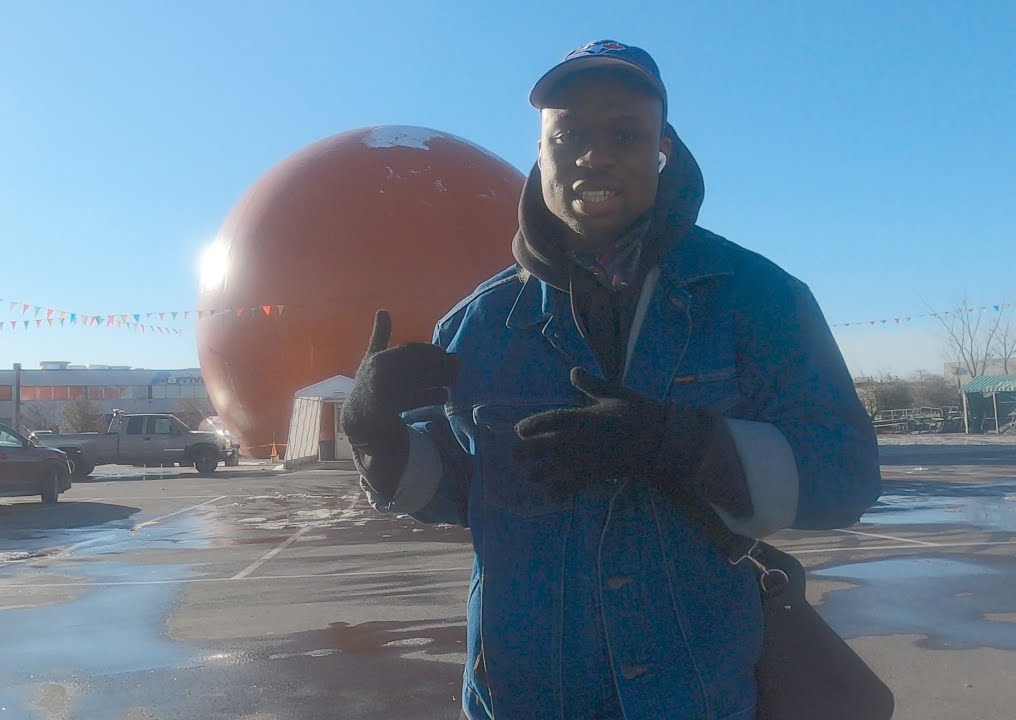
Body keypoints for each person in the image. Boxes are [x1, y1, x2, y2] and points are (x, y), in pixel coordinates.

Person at [340, 40, 881, 720]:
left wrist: (679, 444)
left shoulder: (759, 300)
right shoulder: (476, 324)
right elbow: (465, 484)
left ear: (663, 150)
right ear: (540, 155)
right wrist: (378, 441)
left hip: (697, 695)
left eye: (625, 133)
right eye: (568, 135)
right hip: (521, 698)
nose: (594, 156)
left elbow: (847, 472)